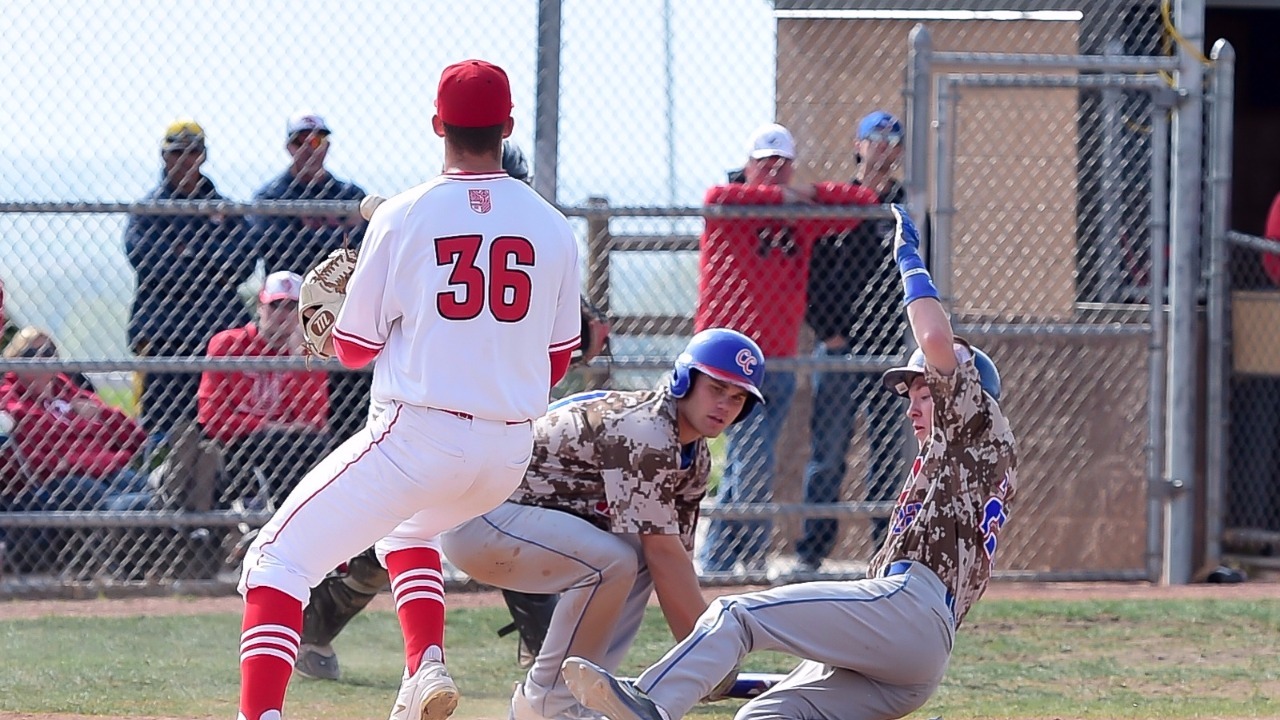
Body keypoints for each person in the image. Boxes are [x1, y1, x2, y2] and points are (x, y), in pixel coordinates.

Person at [561, 205, 1018, 720]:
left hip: (909, 607)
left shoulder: (978, 427)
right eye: (910, 393)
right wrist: (724, 671)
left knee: (734, 613)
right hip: (914, 658)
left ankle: (653, 707)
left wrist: (910, 261)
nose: (913, 403)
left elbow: (936, 340)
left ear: (972, 396)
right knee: (767, 715)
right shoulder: (960, 465)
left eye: (926, 392)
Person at [234, 59, 582, 720]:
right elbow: (557, 362)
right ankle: (424, 666)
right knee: (408, 531)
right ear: (507, 127)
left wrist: (326, 319)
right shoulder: (551, 224)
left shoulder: (403, 213)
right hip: (507, 453)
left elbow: (355, 349)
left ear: (436, 125)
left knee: (275, 562)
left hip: (420, 435)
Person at [439, 329, 764, 720]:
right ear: (684, 380)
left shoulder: (692, 459)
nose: (725, 405)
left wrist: (705, 658)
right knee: (614, 561)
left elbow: (674, 562)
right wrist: (710, 657)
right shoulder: (647, 431)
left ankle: (584, 695)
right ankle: (550, 704)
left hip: (524, 525)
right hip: (480, 518)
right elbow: (665, 553)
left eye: (738, 397)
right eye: (716, 389)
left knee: (635, 556)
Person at [696, 123, 877, 574]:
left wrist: (808, 192)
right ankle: (742, 558)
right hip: (727, 359)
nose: (774, 171)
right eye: (765, 162)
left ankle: (721, 559)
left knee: (750, 463)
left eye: (783, 164)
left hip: (777, 359)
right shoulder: (730, 208)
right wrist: (784, 198)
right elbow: (716, 198)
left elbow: (863, 205)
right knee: (752, 461)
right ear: (750, 165)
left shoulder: (802, 215)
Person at [797, 110, 909, 572]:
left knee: (887, 450)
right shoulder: (837, 203)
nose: (881, 145)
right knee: (828, 453)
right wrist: (830, 332)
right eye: (873, 137)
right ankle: (812, 552)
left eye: (890, 138)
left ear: (899, 149)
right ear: (858, 145)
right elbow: (811, 272)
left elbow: (921, 273)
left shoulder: (906, 206)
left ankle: (884, 549)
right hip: (839, 348)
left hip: (889, 348)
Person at [125, 119, 253, 436]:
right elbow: (151, 263)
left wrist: (185, 253)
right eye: (177, 152)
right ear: (164, 156)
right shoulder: (148, 210)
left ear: (204, 155)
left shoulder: (226, 208)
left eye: (193, 151)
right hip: (163, 333)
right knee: (160, 427)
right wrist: (212, 262)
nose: (185, 159)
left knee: (220, 422)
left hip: (218, 332)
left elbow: (245, 262)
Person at [249, 111, 370, 445]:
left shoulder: (348, 194)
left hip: (339, 310)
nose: (309, 148)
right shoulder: (271, 196)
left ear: (327, 146)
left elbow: (360, 252)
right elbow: (274, 246)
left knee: (347, 394)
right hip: (288, 312)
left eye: (317, 140)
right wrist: (329, 244)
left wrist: (306, 240)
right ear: (289, 147)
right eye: (300, 140)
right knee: (297, 403)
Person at [0, 328, 151, 570]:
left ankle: (167, 498)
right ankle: (162, 502)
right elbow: (28, 452)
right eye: (30, 354)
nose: (41, 360)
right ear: (13, 361)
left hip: (104, 468)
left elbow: (135, 437)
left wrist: (101, 414)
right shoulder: (10, 402)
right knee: (111, 501)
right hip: (58, 479)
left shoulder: (72, 392)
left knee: (137, 486)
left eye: (48, 353)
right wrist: (75, 452)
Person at [197, 271, 330, 509]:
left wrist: (300, 362)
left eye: (292, 307)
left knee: (313, 446)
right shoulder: (228, 344)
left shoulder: (309, 354)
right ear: (260, 306)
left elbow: (313, 420)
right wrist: (269, 427)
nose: (282, 314)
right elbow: (211, 418)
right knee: (281, 443)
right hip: (239, 443)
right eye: (275, 305)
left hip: (293, 445)